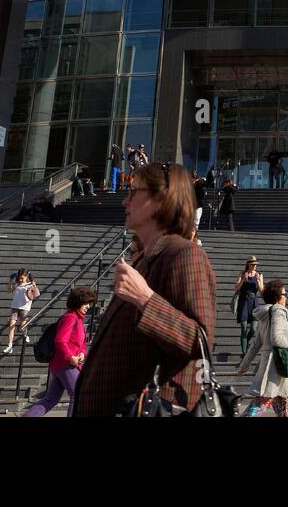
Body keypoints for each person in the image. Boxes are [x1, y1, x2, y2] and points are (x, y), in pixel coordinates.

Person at [71, 162, 216, 416]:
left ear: (161, 199)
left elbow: (199, 340)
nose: (124, 202)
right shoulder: (143, 259)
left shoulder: (185, 254)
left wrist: (145, 299)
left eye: (133, 192)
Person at [23, 287, 96, 416]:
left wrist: (82, 354)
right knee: (77, 395)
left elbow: (82, 344)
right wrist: (70, 357)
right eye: (86, 303)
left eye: (89, 304)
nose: (88, 307)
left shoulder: (78, 319)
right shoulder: (70, 318)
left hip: (62, 365)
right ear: (78, 302)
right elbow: (60, 340)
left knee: (50, 399)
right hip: (65, 365)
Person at [237, 278, 288, 416]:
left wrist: (244, 365)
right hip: (275, 367)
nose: (286, 297)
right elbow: (277, 339)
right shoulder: (278, 312)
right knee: (262, 402)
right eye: (285, 294)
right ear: (278, 298)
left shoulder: (267, 315)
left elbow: (255, 344)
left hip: (275, 366)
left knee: (285, 405)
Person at [233, 257, 265, 357]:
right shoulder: (242, 274)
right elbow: (235, 288)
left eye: (256, 264)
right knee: (243, 327)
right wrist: (243, 280)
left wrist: (259, 281)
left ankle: (246, 342)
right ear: (248, 264)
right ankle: (244, 352)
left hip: (254, 302)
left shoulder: (259, 275)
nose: (255, 266)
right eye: (253, 264)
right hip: (244, 302)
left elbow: (262, 291)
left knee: (254, 329)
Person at [4, 268, 40, 353]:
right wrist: (10, 281)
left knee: (22, 326)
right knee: (11, 326)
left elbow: (36, 294)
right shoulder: (17, 284)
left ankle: (26, 334)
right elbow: (9, 290)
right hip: (15, 307)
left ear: (26, 277)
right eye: (19, 278)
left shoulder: (30, 284)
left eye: (22, 278)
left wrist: (34, 285)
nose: (20, 279)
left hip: (25, 308)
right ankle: (9, 346)